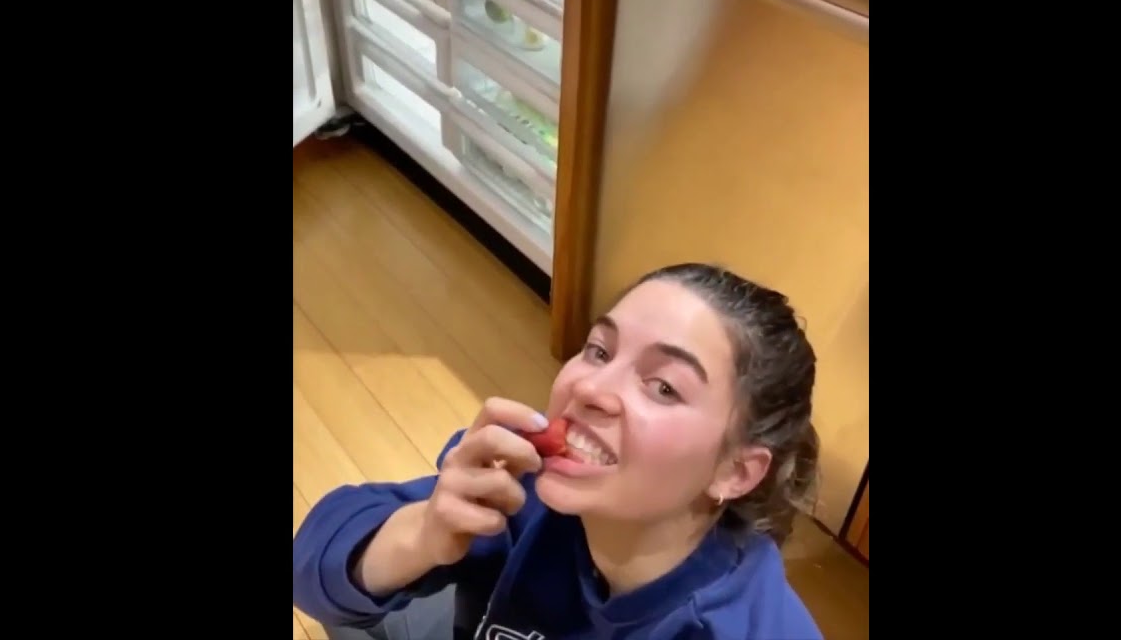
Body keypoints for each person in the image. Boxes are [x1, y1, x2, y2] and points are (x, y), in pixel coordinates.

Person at [293, 263, 824, 640]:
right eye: (599, 350)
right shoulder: (519, 485)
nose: (590, 389)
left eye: (663, 387)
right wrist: (421, 534)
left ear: (735, 472)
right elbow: (308, 565)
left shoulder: (750, 628)